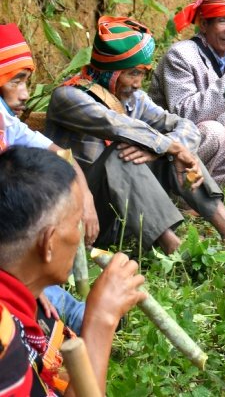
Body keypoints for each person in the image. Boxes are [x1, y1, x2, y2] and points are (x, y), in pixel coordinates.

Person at [45, 16, 225, 255]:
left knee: (172, 152)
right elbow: (117, 126)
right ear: (110, 72)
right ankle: (172, 249)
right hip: (83, 211)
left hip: (126, 211)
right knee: (122, 154)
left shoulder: (134, 98)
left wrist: (172, 147)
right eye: (132, 74)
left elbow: (185, 125)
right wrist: (166, 146)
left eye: (142, 74)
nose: (139, 84)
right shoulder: (69, 97)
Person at [0, 146, 146, 397]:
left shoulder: (18, 297)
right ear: (49, 243)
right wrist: (100, 320)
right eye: (76, 223)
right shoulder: (5, 343)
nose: (79, 236)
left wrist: (30, 289)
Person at [0, 23, 93, 333]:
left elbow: (61, 154)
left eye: (27, 82)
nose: (25, 94)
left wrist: (86, 199)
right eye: (17, 82)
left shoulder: (7, 122)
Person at [149, 0, 225, 186]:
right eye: (223, 21)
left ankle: (209, 187)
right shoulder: (181, 55)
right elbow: (186, 115)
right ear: (203, 24)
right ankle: (185, 193)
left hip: (214, 148)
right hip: (171, 148)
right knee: (213, 132)